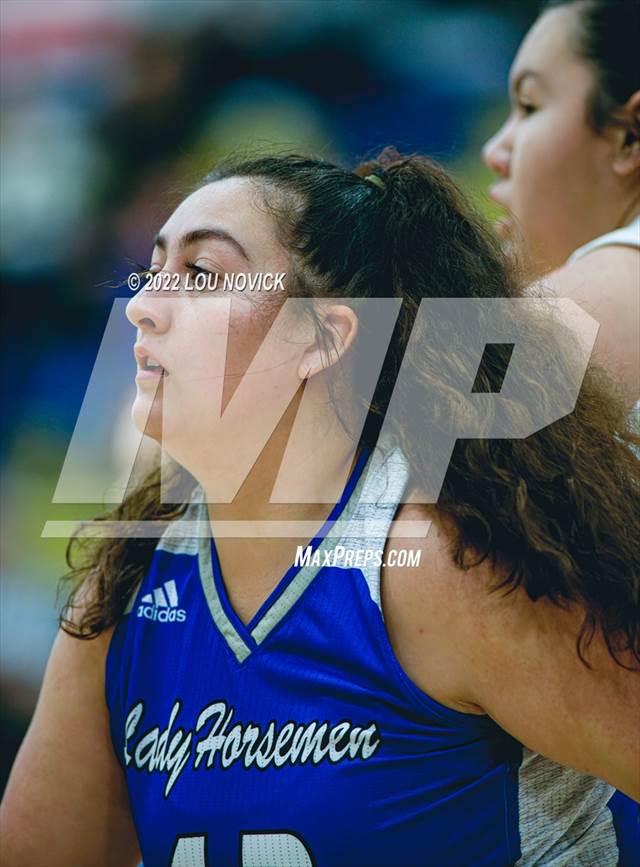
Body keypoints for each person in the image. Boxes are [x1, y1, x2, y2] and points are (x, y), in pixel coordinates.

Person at [1, 149, 638, 866]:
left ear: (323, 337)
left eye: (201, 274)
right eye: (152, 272)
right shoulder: (129, 581)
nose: (144, 306)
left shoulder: (439, 563)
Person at [482, 0, 639, 408]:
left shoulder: (578, 305)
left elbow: (398, 449)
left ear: (630, 136)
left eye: (529, 106)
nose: (493, 152)